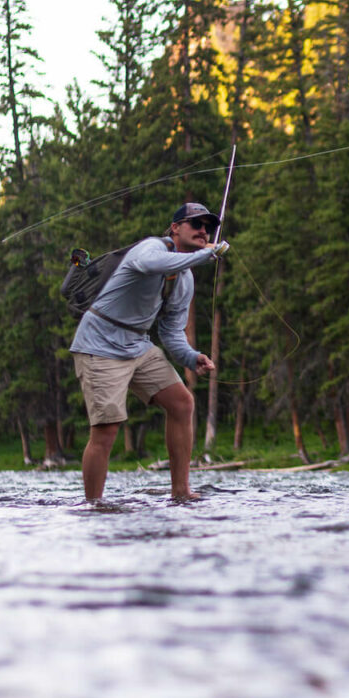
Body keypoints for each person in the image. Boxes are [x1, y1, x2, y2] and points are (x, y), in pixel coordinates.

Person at [71, 202, 228, 501]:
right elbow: (154, 265)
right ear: (175, 229)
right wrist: (205, 254)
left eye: (207, 227)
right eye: (195, 224)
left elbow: (170, 331)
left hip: (137, 344)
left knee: (182, 403)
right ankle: (93, 505)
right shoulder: (150, 249)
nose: (203, 231)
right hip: (99, 344)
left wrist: (191, 357)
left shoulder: (185, 279)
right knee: (107, 429)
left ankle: (181, 492)